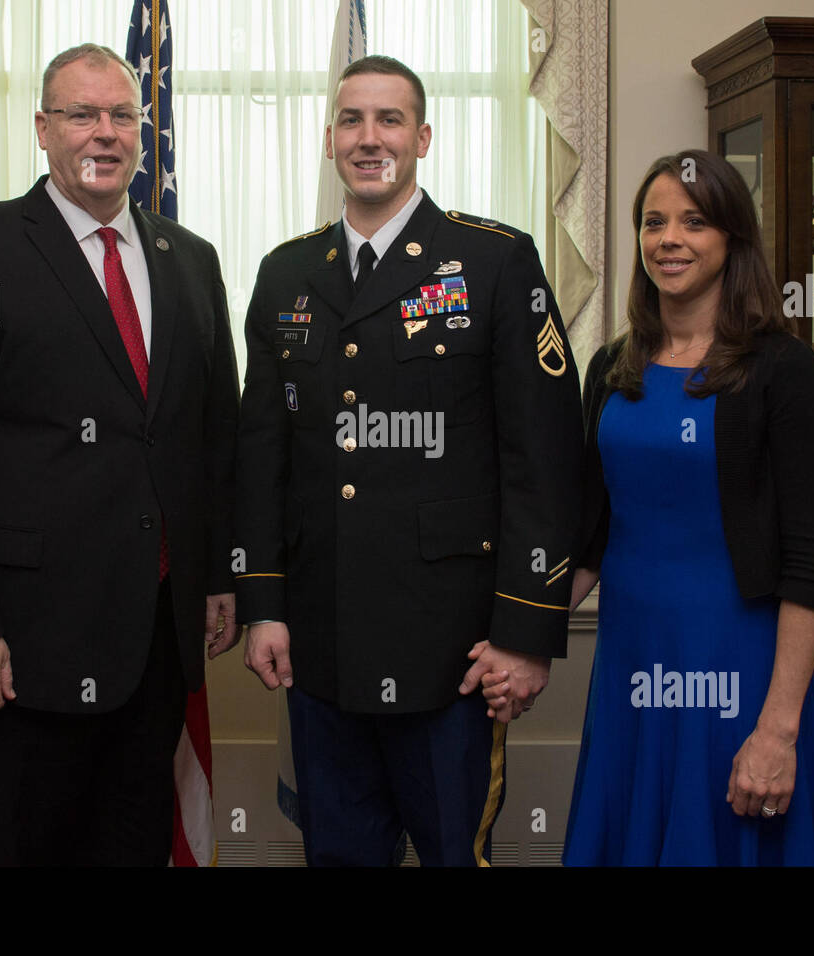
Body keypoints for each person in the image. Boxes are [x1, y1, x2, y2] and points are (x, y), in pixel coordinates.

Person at [0, 44, 240, 866]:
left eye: (123, 115)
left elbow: (211, 438)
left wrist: (218, 574)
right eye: (83, 114)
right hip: (20, 649)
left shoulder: (189, 262)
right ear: (44, 129)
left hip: (155, 643)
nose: (106, 133)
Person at [234, 55, 582, 866]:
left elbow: (545, 456)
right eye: (352, 120)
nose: (369, 137)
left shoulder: (494, 262)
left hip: (454, 651)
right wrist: (263, 603)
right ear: (329, 140)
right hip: (319, 645)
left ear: (422, 136)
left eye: (389, 119)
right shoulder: (286, 273)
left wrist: (526, 633)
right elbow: (261, 452)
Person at [550, 149, 814, 865]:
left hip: (740, 671)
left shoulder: (783, 369)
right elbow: (589, 540)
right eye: (653, 223)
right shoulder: (611, 366)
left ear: (731, 240)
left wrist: (777, 731)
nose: (668, 239)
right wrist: (512, 631)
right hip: (631, 662)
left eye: (694, 222)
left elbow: (811, 564)